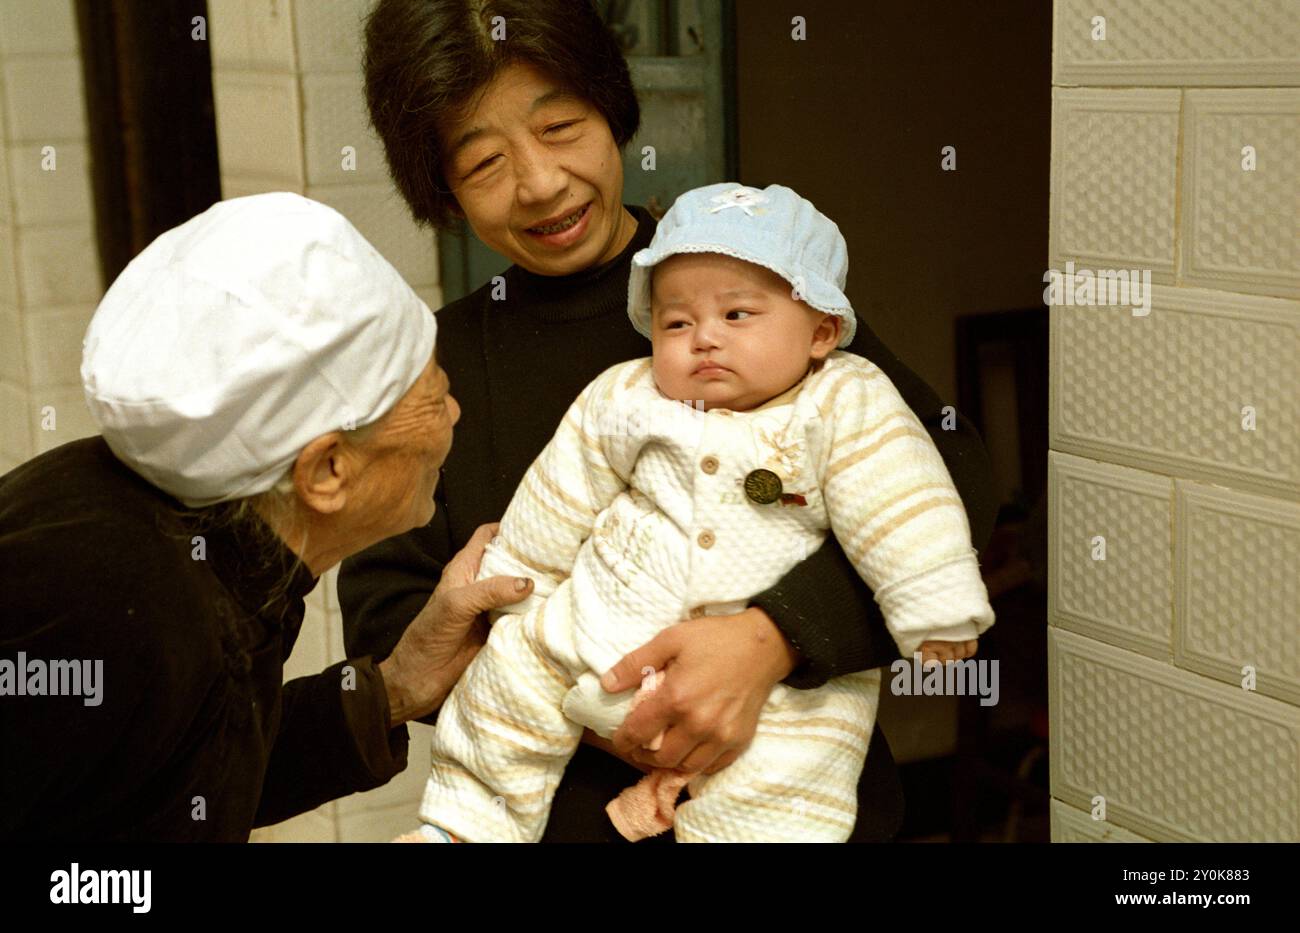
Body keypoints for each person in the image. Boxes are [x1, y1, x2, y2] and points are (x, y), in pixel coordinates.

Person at [342, 0, 999, 843]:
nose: (539, 183)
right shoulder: (435, 365)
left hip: (793, 794)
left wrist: (771, 639)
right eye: (483, 163)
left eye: (561, 127)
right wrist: (585, 697)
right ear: (441, 188)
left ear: (611, 109)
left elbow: (949, 483)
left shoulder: (752, 290)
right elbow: (381, 604)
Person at [0, 193, 524, 841]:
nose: (454, 418)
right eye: (435, 398)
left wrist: (393, 687)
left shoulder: (215, 554)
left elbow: (176, 777)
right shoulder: (105, 607)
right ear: (327, 471)